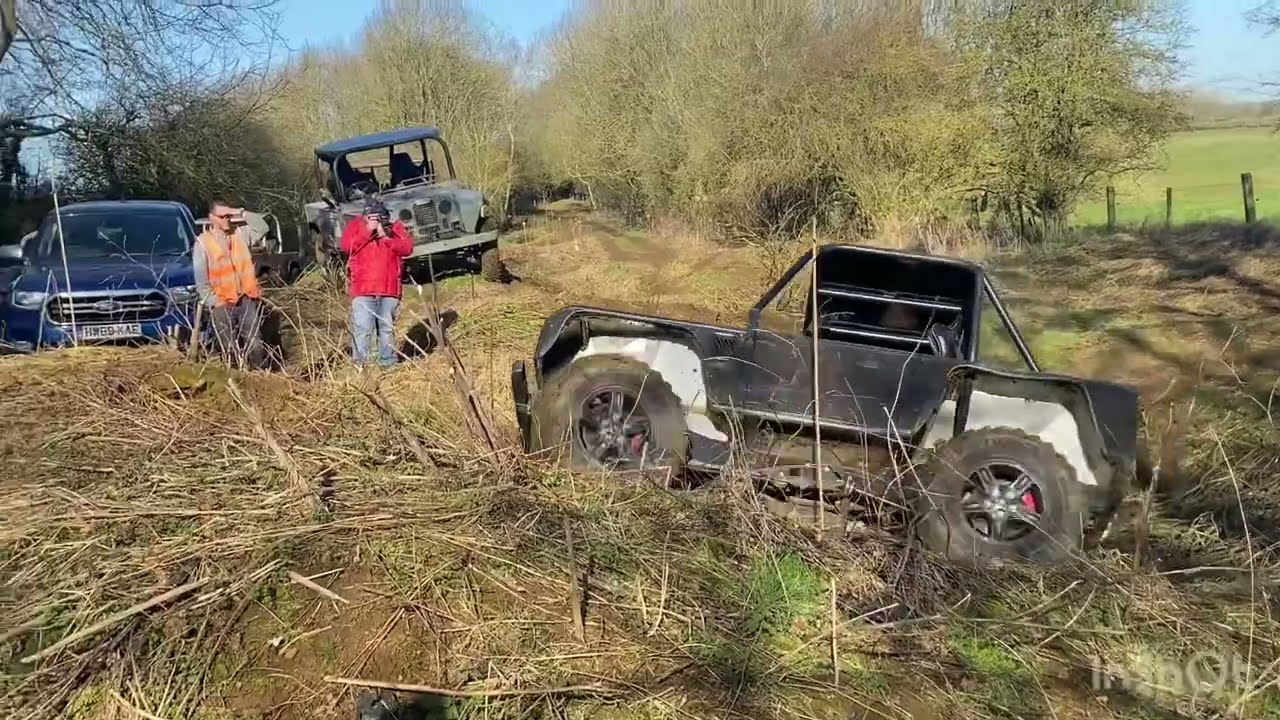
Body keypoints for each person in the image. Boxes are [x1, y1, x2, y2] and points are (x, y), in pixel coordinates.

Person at [340, 196, 414, 368]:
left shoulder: (395, 227)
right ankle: (360, 366)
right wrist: (368, 231)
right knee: (362, 329)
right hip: (363, 289)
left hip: (389, 289)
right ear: (364, 215)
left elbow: (407, 248)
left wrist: (386, 238)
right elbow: (346, 246)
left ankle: (388, 362)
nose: (377, 219)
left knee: (386, 329)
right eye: (372, 216)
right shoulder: (355, 227)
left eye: (379, 216)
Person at [193, 198, 266, 370]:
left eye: (228, 215)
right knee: (229, 348)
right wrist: (214, 301)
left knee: (255, 343)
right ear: (211, 218)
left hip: (246, 298)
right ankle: (234, 380)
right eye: (222, 216)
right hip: (221, 303)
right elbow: (201, 281)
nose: (227, 219)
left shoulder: (240, 234)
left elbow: (263, 227)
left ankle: (260, 378)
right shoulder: (202, 243)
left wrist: (239, 212)